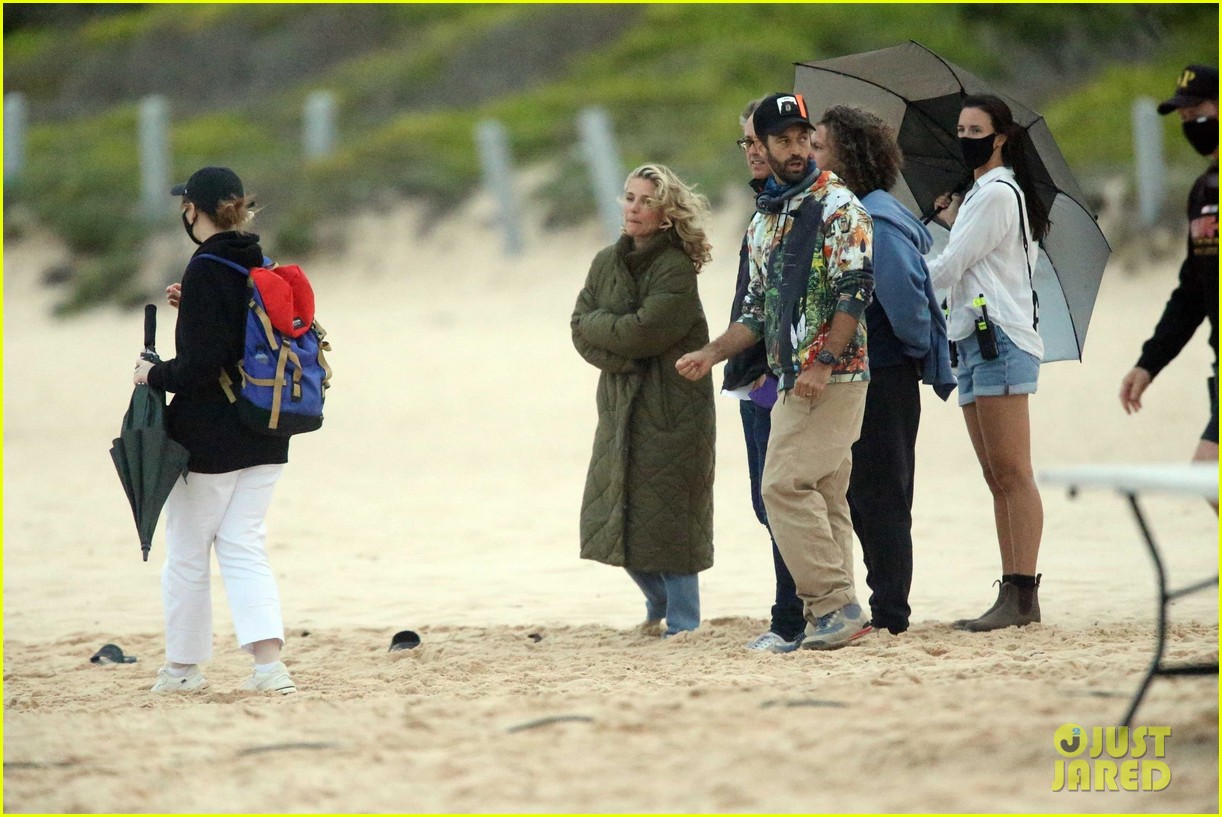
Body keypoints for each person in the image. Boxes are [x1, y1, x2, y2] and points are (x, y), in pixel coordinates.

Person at [677, 92, 875, 651]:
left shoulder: (840, 206)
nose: (795, 148)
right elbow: (756, 312)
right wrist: (712, 353)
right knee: (824, 494)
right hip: (793, 376)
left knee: (782, 486)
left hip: (833, 375)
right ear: (758, 145)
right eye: (781, 139)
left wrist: (825, 360)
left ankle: (834, 605)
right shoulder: (768, 217)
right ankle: (834, 617)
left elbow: (855, 289)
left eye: (801, 138)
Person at [132, 166, 297, 694]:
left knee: (187, 549)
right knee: (244, 544)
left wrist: (152, 374)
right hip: (268, 428)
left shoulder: (207, 265)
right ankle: (270, 669)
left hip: (210, 436)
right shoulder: (254, 256)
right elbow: (237, 334)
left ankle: (182, 670)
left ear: (191, 209)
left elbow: (201, 366)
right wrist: (196, 306)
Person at [811, 105, 956, 636]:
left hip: (884, 372)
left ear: (848, 154)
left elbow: (903, 301)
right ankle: (880, 607)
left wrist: (916, 352)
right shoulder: (855, 211)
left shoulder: (876, 218)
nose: (811, 153)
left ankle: (891, 614)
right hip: (861, 373)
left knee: (882, 493)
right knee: (861, 491)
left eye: (820, 145)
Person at [571, 163, 716, 638]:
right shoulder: (604, 262)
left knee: (670, 518)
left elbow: (644, 332)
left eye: (646, 201)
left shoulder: (674, 268)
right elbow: (579, 327)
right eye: (629, 198)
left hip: (671, 409)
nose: (633, 208)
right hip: (618, 405)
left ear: (667, 213)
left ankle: (683, 621)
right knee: (616, 510)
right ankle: (656, 602)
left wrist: (620, 342)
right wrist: (624, 356)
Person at [926, 95, 1050, 632]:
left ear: (1000, 137)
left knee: (1013, 470)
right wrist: (954, 218)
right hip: (971, 339)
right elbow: (968, 255)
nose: (965, 137)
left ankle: (1023, 593)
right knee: (994, 473)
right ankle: (1012, 589)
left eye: (975, 129)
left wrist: (900, 275)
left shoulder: (999, 192)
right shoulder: (981, 195)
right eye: (960, 129)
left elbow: (953, 265)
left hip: (996, 335)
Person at [725, 98, 805, 653]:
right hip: (755, 375)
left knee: (785, 499)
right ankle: (793, 611)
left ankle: (792, 615)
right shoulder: (765, 209)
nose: (753, 151)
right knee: (766, 502)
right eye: (747, 143)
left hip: (784, 376)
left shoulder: (806, 208)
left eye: (760, 141)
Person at [1119, 64, 1219, 500]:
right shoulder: (1203, 192)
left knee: (1207, 476)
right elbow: (1191, 292)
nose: (1189, 123)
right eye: (1182, 117)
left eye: (1197, 111)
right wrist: (1149, 362)